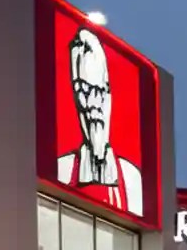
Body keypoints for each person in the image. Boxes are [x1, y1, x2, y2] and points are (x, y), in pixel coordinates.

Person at [57, 29, 144, 217]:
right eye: (84, 91)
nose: (92, 104)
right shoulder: (63, 169)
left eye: (100, 91)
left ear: (109, 96)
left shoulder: (131, 178)